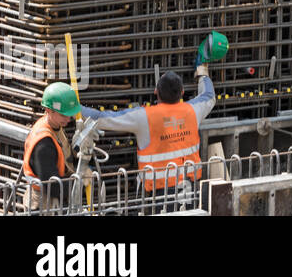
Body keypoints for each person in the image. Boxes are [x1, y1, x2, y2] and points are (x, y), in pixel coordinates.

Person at [78, 34, 224, 193]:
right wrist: (201, 67)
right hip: (190, 189)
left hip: (155, 194)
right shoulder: (193, 111)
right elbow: (209, 95)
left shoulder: (144, 117)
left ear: (156, 91)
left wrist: (74, 108)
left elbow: (102, 118)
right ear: (182, 92)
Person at [20, 82, 101, 210]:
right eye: (63, 115)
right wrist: (79, 180)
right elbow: (54, 186)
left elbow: (63, 156)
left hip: (54, 199)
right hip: (42, 203)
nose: (68, 119)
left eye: (69, 115)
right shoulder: (43, 144)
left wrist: (78, 151)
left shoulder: (56, 126)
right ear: (48, 110)